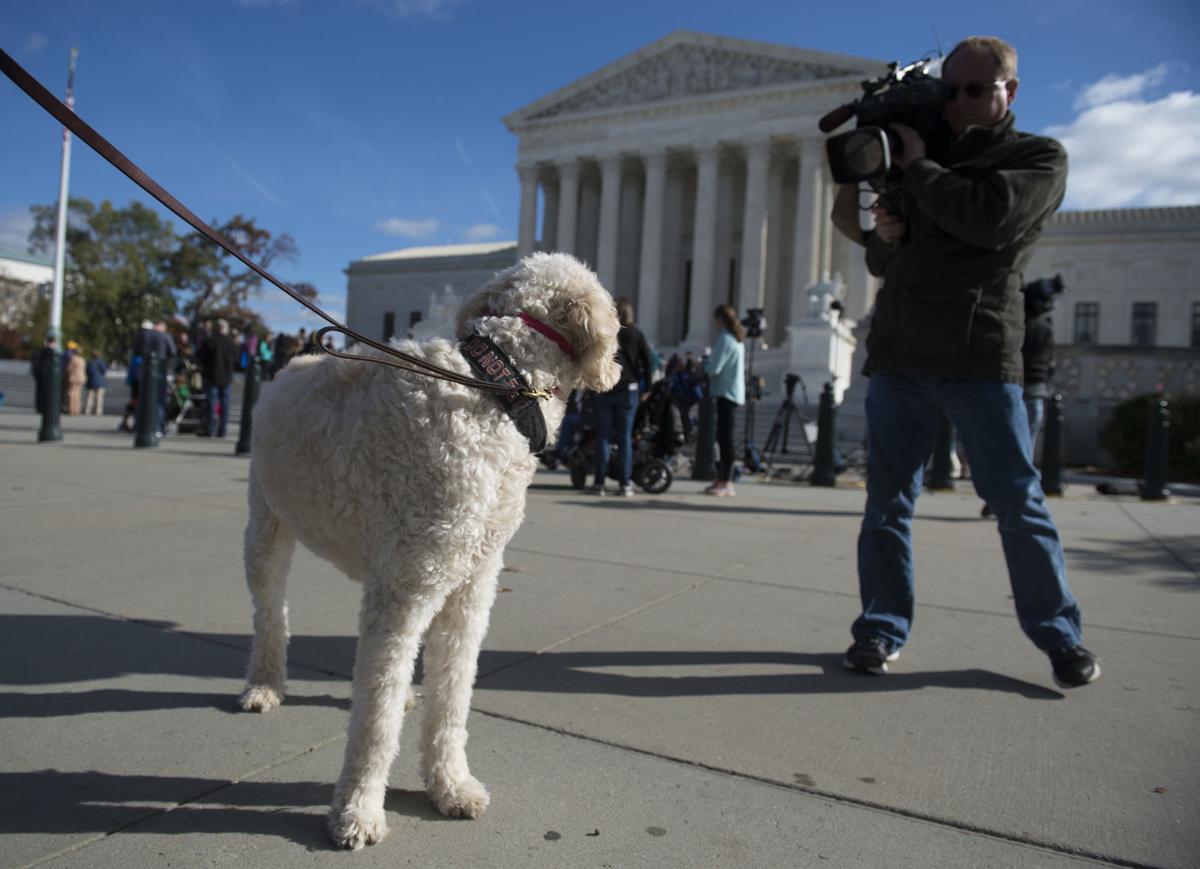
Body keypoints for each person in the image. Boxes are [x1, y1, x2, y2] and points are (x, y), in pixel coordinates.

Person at [840, 36, 1099, 688]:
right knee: (887, 506)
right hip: (901, 358)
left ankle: (1060, 636)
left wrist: (922, 166)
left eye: (974, 90)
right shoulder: (919, 165)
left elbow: (989, 219)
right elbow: (881, 257)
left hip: (978, 356)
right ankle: (879, 627)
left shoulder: (1036, 157)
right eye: (950, 90)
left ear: (1010, 91)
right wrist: (883, 213)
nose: (958, 102)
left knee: (1017, 502)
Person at [591, 296, 652, 497]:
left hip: (607, 388)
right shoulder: (637, 334)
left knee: (603, 438)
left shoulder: (608, 332)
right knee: (625, 438)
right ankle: (625, 484)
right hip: (629, 390)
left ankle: (599, 483)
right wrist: (648, 387)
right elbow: (647, 362)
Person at [702, 305, 746, 497]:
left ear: (719, 319)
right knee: (724, 437)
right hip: (732, 392)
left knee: (725, 439)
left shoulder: (725, 339)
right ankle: (722, 479)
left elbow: (714, 368)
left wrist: (702, 364)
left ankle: (726, 481)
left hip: (725, 393)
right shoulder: (736, 339)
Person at [197, 318, 238, 438]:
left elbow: (200, 357)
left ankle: (210, 429)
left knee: (211, 404)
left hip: (212, 376)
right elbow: (237, 360)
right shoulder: (231, 343)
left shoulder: (210, 341)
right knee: (224, 405)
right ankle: (222, 430)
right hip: (226, 378)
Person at [30, 335, 57, 416]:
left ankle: (39, 407)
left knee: (40, 392)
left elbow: (34, 363)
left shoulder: (38, 351)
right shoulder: (48, 351)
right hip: (45, 375)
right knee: (45, 392)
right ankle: (43, 407)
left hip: (39, 374)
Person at [63, 341, 86, 415]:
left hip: (73, 378)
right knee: (78, 394)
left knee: (71, 394)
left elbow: (68, 369)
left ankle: (71, 410)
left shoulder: (73, 359)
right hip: (81, 378)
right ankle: (77, 409)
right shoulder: (83, 360)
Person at [84, 351, 108, 415]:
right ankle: (98, 411)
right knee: (99, 398)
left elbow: (86, 371)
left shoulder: (89, 362)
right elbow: (104, 371)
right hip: (100, 382)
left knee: (89, 397)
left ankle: (87, 410)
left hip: (91, 381)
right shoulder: (101, 362)